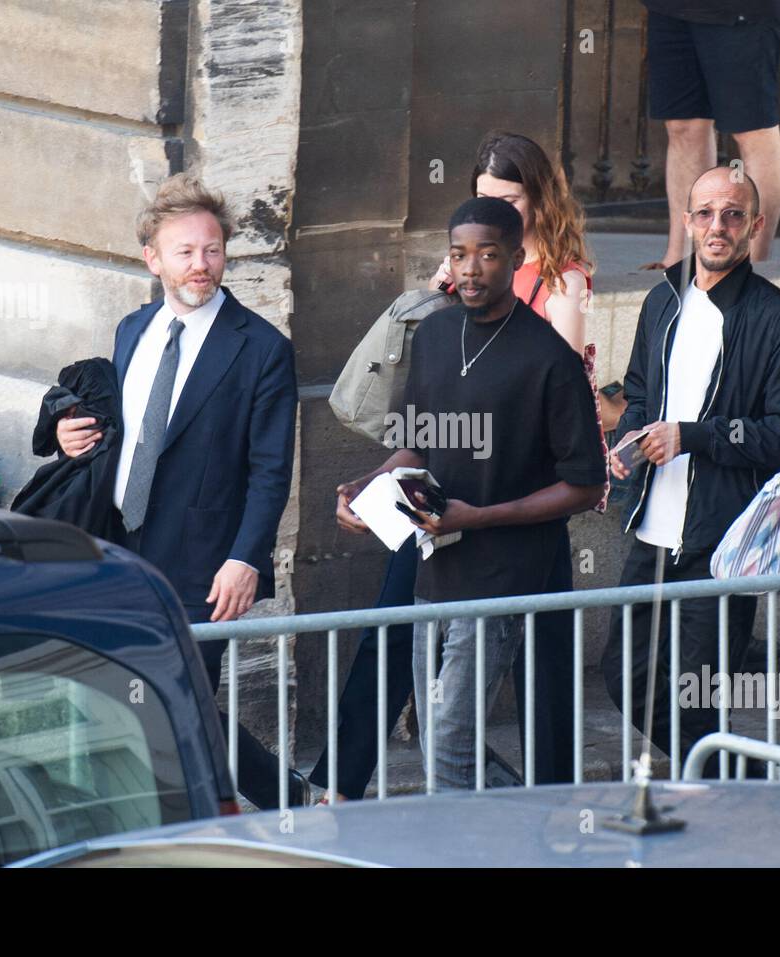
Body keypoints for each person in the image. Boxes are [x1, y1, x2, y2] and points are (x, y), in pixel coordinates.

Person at [311, 132, 605, 798]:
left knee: (456, 736)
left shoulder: (552, 324)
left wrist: (483, 514)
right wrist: (368, 486)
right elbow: (420, 433)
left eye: (488, 253)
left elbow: (579, 475)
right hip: (436, 542)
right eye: (460, 254)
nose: (470, 269)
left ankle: (546, 809)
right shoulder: (442, 328)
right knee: (441, 730)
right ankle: (348, 785)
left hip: (505, 553)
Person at [55, 173, 306, 809]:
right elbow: (120, 427)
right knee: (121, 694)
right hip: (120, 549)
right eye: (186, 252)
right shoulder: (131, 330)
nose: (202, 265)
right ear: (153, 258)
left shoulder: (263, 351)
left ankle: (259, 810)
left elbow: (271, 469)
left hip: (204, 564)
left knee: (184, 705)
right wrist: (71, 435)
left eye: (213, 250)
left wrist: (246, 557)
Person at [603, 165, 780, 771]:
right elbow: (640, 393)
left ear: (755, 225)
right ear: (687, 221)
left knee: (696, 695)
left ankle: (718, 806)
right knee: (626, 677)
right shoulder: (660, 300)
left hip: (722, 538)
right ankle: (741, 782)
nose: (716, 226)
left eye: (731, 214)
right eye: (704, 213)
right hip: (652, 530)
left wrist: (693, 437)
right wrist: (626, 440)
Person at [639, 0, 780, 268]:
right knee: (683, 126)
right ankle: (682, 260)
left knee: (753, 131)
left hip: (743, 11)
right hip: (669, 7)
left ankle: (752, 264)